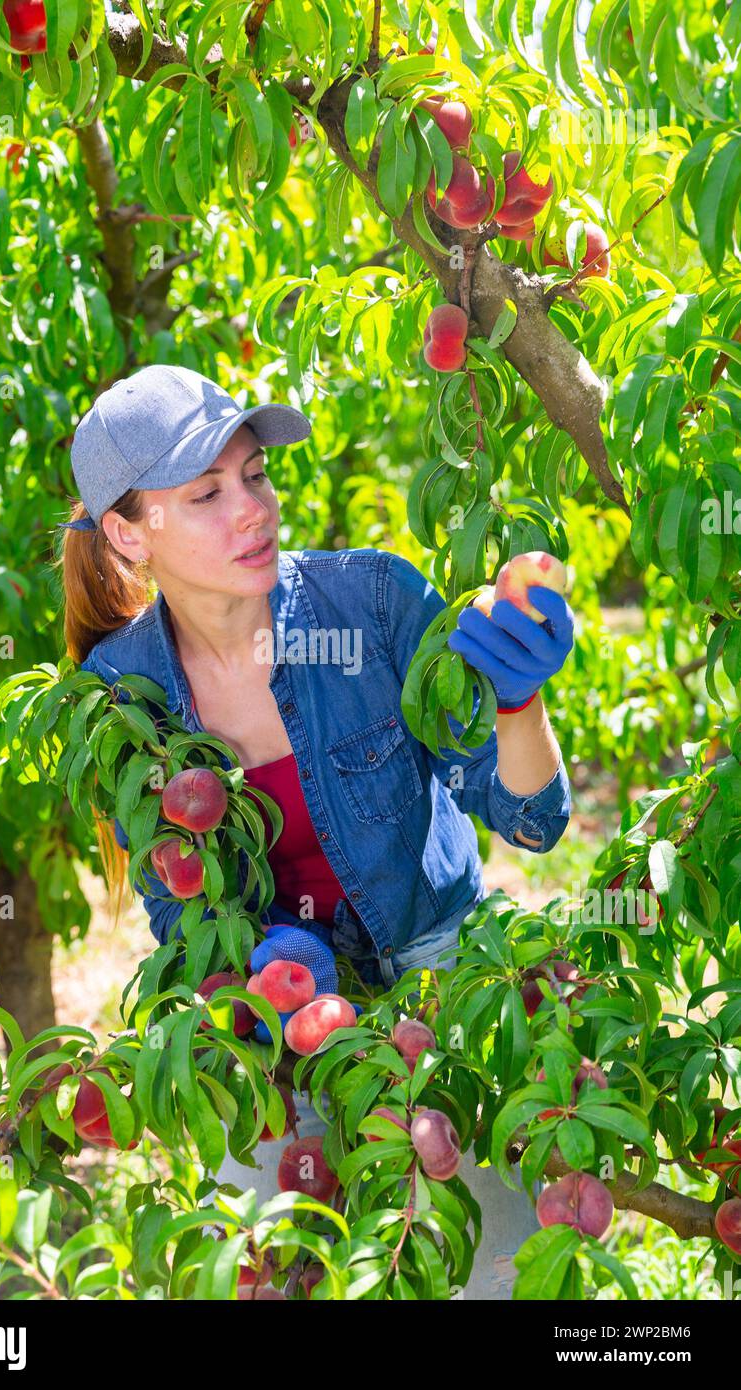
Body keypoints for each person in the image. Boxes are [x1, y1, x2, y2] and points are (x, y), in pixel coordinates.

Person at [57, 363, 575, 1299]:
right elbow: (179, 918)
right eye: (206, 492)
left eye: (254, 475)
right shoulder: (118, 698)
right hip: (273, 1021)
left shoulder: (373, 604)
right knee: (265, 1275)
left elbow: (530, 821)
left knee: (495, 1276)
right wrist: (281, 975)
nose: (251, 509)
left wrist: (518, 702)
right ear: (131, 533)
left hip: (444, 984)